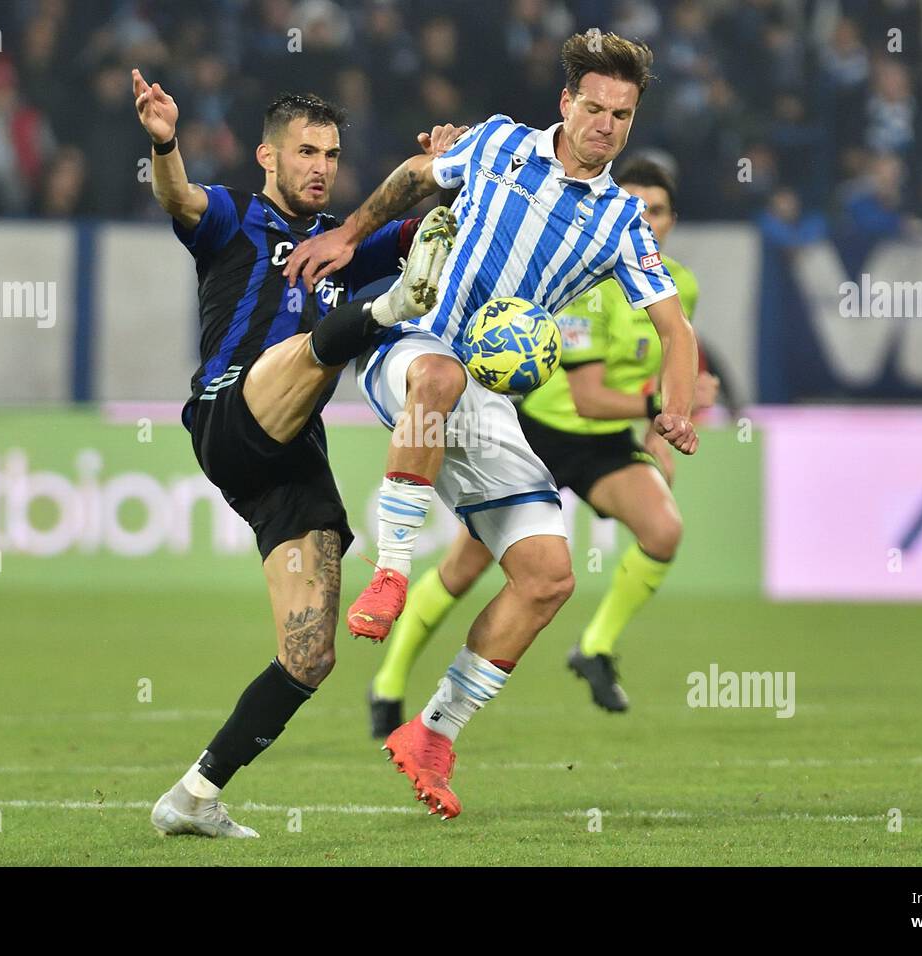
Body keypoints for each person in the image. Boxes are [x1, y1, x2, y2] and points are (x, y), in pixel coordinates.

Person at [283, 32, 699, 819]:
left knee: (548, 576)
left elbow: (675, 329)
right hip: (412, 344)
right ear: (565, 104)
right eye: (595, 107)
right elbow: (415, 174)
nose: (607, 125)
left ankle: (432, 735)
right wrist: (344, 236)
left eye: (623, 114)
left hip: (490, 391)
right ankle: (393, 570)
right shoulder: (502, 141)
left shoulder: (620, 222)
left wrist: (674, 405)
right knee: (438, 374)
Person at [131, 68, 460, 838]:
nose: (320, 166)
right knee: (312, 348)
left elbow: (435, 227)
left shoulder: (350, 242)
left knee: (310, 655)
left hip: (291, 454)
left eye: (332, 154)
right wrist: (164, 142)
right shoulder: (233, 217)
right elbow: (177, 197)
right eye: (306, 151)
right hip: (231, 411)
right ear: (268, 158)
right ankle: (393, 309)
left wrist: (450, 172)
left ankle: (193, 796)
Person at [366, 155, 711, 730]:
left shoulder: (678, 287)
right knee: (464, 569)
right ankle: (389, 681)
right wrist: (657, 410)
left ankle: (595, 648)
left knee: (664, 528)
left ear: (673, 221)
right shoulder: (584, 282)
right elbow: (587, 396)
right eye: (638, 209)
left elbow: (654, 367)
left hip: (601, 444)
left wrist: (662, 434)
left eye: (658, 211)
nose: (646, 222)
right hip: (540, 432)